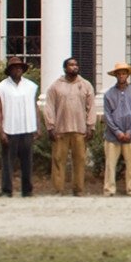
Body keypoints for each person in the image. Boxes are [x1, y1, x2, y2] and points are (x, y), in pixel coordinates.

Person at [42, 56, 96, 196]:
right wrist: (50, 126)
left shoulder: (85, 85)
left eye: (76, 65)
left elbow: (91, 107)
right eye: (71, 65)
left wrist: (91, 126)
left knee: (80, 160)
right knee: (58, 160)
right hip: (60, 129)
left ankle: (78, 189)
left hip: (80, 129)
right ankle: (58, 189)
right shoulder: (55, 86)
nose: (74, 67)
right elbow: (49, 107)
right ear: (65, 68)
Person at [0, 56, 40, 197]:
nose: (18, 69)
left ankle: (27, 190)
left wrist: (38, 125)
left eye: (20, 67)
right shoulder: (1, 88)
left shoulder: (30, 86)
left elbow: (35, 106)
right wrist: (1, 130)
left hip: (27, 128)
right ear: (10, 70)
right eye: (14, 67)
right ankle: (7, 190)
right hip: (10, 129)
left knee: (27, 161)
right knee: (7, 162)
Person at [101, 62, 131, 196]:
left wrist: (130, 131)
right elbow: (108, 115)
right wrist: (117, 132)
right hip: (113, 136)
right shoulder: (108, 94)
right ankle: (109, 189)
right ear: (116, 75)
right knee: (110, 165)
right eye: (119, 74)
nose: (121, 76)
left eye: (124, 73)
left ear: (128, 75)